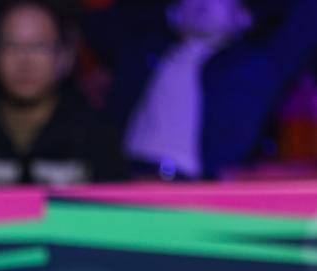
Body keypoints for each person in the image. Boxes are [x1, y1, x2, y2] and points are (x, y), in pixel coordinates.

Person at [85, 0, 317, 179]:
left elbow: (304, 22)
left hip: (198, 186)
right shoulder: (145, 51)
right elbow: (94, 27)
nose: (201, 2)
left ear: (243, 17)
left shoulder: (253, 67)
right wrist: (166, 14)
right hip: (124, 175)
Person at [0, 0, 129, 186]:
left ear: (64, 57)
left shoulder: (95, 135)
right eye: (11, 46)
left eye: (39, 47)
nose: (25, 61)